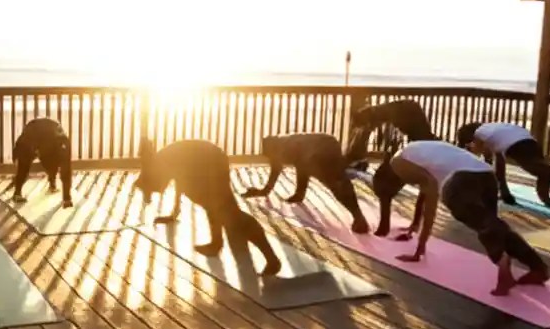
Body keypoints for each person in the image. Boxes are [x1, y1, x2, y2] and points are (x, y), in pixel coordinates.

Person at [372, 140, 550, 295]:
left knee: (484, 223)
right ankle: (537, 267)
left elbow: (431, 191)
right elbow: (424, 192)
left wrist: (420, 248)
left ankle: (501, 260)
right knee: (493, 225)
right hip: (486, 175)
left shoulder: (398, 163)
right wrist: (415, 225)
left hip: (461, 179)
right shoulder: (413, 151)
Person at [135, 138, 282, 276]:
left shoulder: (160, 162)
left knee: (230, 212)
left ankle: (272, 259)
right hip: (207, 160)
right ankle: (216, 243)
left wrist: (153, 195)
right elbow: (176, 182)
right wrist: (174, 213)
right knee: (211, 204)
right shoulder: (162, 160)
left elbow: (166, 183)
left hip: (210, 162)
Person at [240, 132, 370, 233]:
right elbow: (298, 167)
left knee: (336, 184)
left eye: (268, 156)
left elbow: (291, 167)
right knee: (339, 181)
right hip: (328, 142)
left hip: (319, 152)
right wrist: (264, 191)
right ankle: (358, 216)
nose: (269, 159)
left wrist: (265, 190)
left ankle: (359, 217)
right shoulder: (283, 144)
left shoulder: (284, 148)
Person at [456, 121, 550, 209]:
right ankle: (546, 198)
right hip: (532, 143)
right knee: (537, 170)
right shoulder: (493, 129)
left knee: (540, 171)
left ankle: (548, 172)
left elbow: (481, 154)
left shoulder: (480, 133)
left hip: (516, 146)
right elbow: (497, 162)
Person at [343, 99, 440, 169]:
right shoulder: (375, 114)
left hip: (409, 111)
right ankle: (432, 153)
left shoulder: (375, 114)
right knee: (421, 138)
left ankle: (431, 156)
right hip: (408, 109)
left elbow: (372, 124)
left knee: (421, 138)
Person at [11, 117, 73, 208]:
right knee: (51, 164)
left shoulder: (58, 143)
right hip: (39, 136)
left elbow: (19, 152)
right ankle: (53, 185)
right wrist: (67, 199)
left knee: (24, 164)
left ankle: (17, 193)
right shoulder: (61, 143)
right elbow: (66, 169)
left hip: (39, 136)